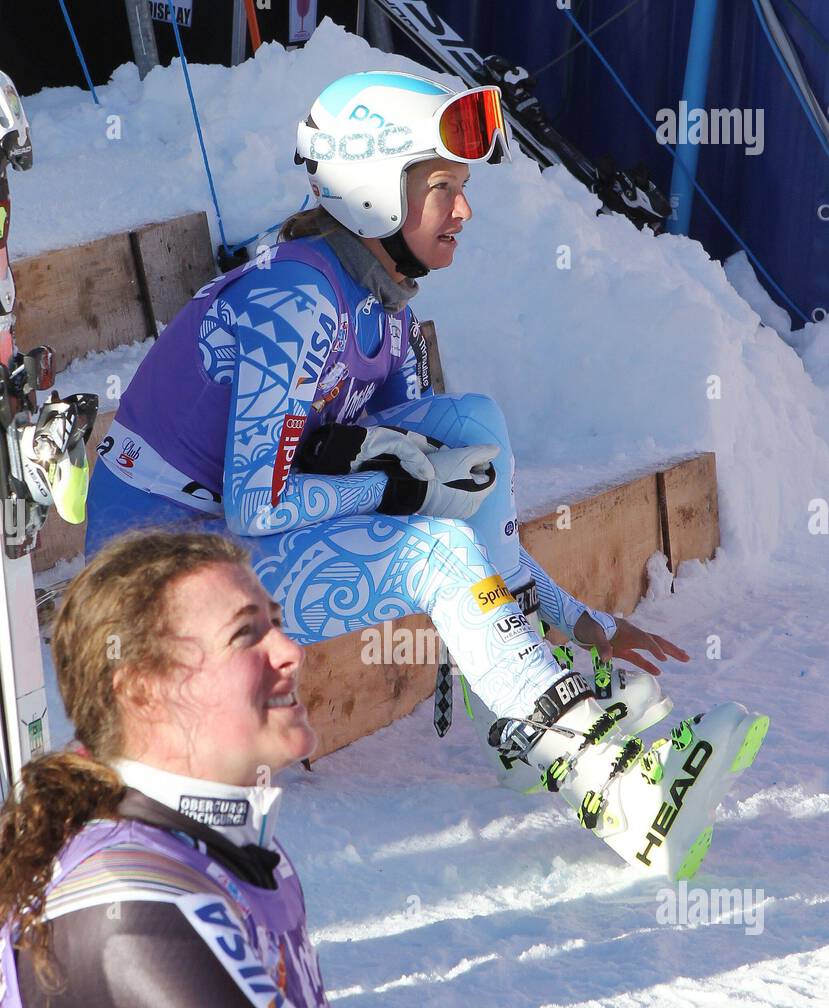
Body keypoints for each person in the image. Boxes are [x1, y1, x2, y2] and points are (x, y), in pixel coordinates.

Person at [0, 529, 825, 1008]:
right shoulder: (127, 910)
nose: (290, 651)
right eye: (248, 634)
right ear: (141, 686)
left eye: (279, 624)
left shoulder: (214, 846)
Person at [85, 72, 768, 879]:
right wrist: (394, 486)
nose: (464, 210)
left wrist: (576, 620)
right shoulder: (294, 300)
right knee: (432, 548)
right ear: (373, 191)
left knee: (468, 426)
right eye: (442, 187)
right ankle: (608, 782)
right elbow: (259, 502)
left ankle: (527, 716)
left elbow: (461, 488)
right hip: (153, 584)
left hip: (228, 547)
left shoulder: (381, 306)